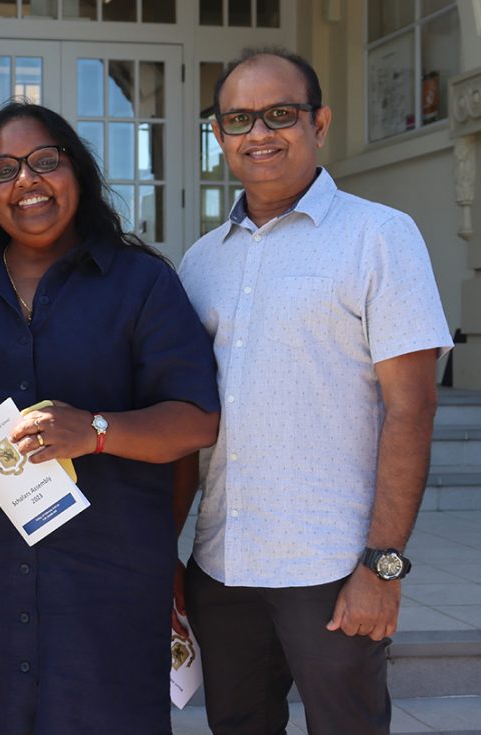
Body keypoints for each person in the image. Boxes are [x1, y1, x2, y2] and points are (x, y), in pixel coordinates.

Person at [178, 48, 454, 735]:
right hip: (223, 566)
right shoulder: (200, 260)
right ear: (218, 135)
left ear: (320, 123)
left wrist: (382, 566)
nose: (259, 133)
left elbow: (412, 408)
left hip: (332, 569)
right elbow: (188, 419)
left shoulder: (379, 236)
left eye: (281, 114)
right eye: (239, 118)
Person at [0, 102, 221, 735]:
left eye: (44, 161)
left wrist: (94, 430)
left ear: (78, 173)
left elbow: (197, 419)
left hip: (108, 583)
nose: (26, 182)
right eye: (3, 168)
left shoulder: (141, 283)